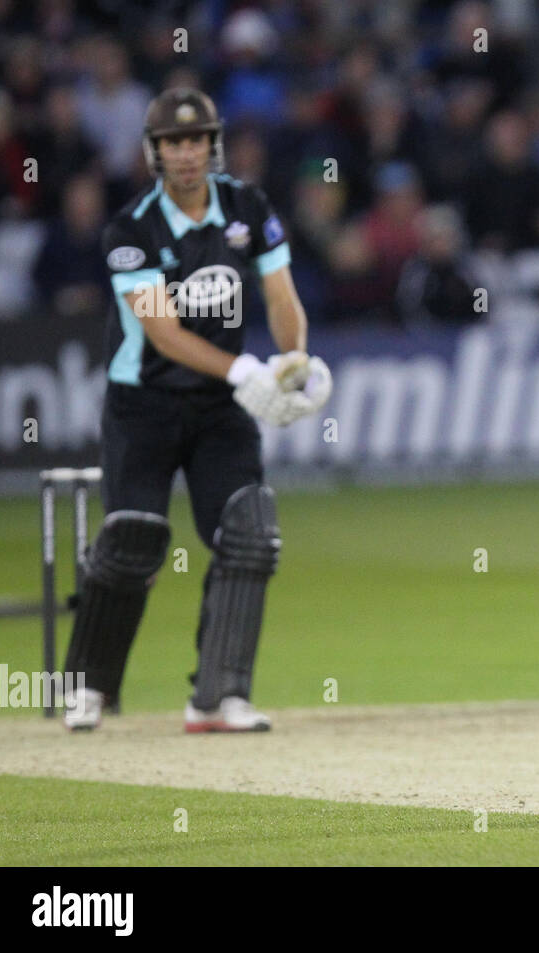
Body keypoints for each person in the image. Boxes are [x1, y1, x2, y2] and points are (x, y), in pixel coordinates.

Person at [62, 89, 331, 733]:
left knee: (250, 533)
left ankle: (218, 697)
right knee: (134, 538)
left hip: (218, 410)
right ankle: (89, 688)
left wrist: (292, 363)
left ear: (214, 144)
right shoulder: (131, 229)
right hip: (143, 405)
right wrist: (245, 368)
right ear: (153, 152)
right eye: (172, 143)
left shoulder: (248, 205)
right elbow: (161, 332)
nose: (186, 153)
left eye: (196, 140)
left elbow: (281, 294)